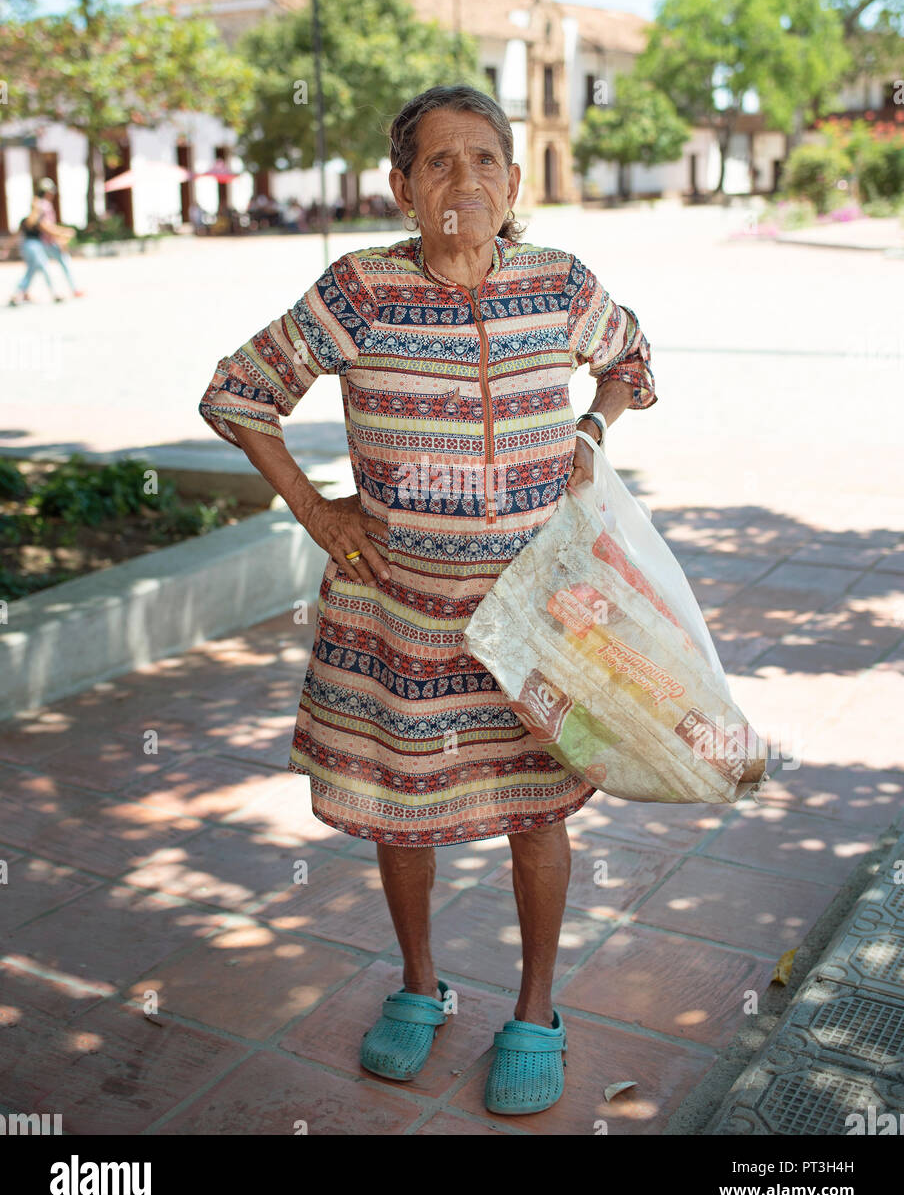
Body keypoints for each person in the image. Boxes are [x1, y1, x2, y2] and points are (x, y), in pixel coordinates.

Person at [198, 84, 657, 1118]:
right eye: (438, 163)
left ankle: (535, 1009)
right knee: (399, 817)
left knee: (536, 814)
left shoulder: (559, 283)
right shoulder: (358, 290)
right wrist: (319, 514)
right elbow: (237, 392)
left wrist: (588, 434)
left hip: (535, 618)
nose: (464, 180)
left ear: (513, 180)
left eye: (485, 159)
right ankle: (418, 984)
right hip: (397, 614)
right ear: (401, 187)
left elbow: (630, 356)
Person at [8, 193, 65, 305]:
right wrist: (63, 234)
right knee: (45, 267)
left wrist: (7, 247)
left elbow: (16, 235)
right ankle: (55, 292)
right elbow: (49, 230)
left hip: (25, 246)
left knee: (30, 271)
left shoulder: (24, 220)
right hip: (35, 246)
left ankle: (18, 292)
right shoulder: (37, 220)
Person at [35, 179, 83, 298]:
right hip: (48, 241)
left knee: (37, 268)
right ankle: (71, 289)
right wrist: (61, 233)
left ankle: (21, 291)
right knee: (62, 264)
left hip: (46, 241)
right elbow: (45, 225)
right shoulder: (43, 205)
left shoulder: (41, 204)